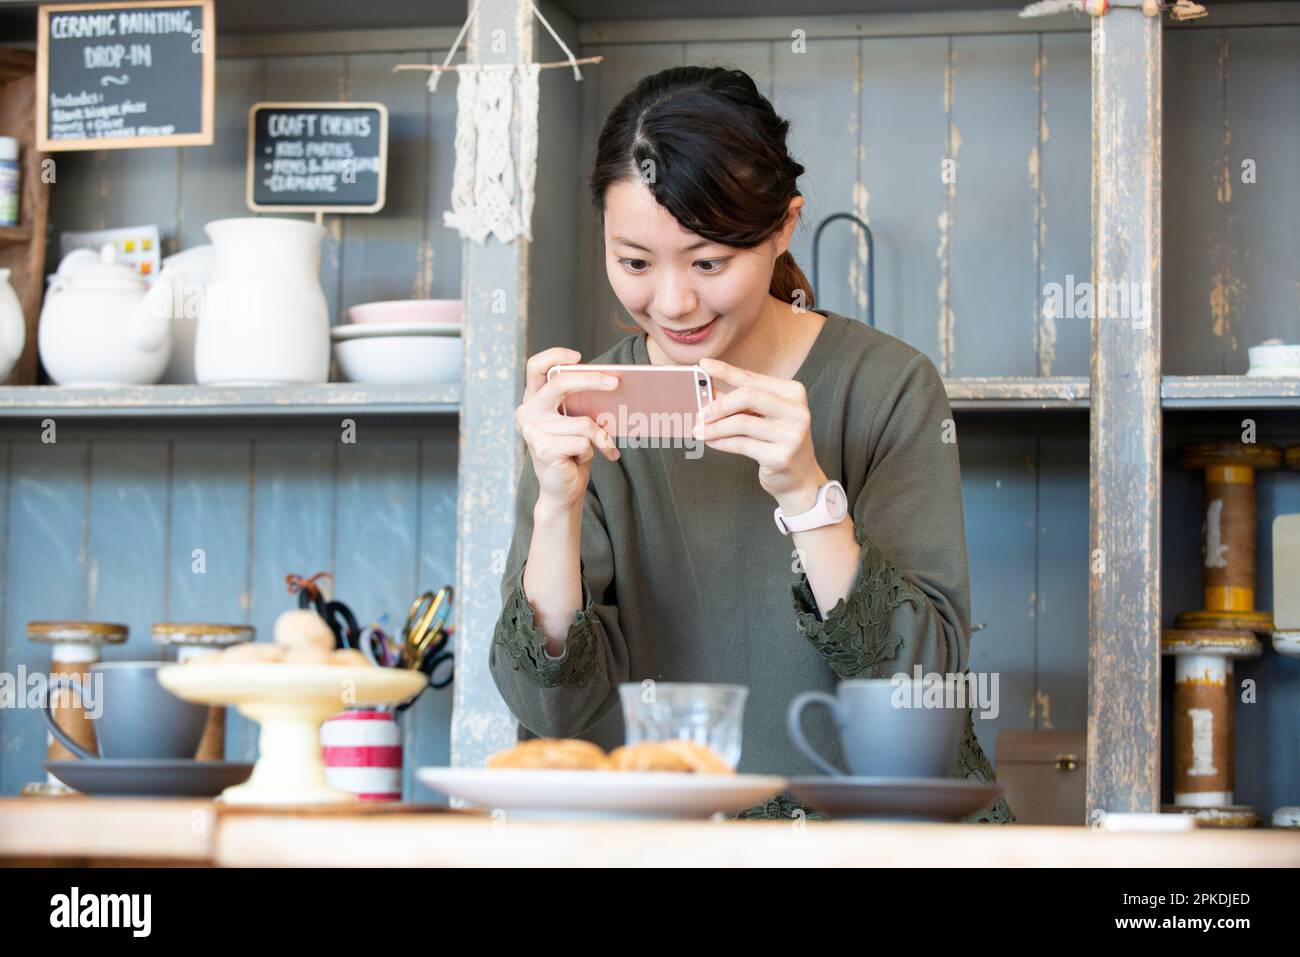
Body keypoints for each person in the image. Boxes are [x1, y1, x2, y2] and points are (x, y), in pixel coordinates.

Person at [489, 65, 1014, 823]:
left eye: (709, 262)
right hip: (658, 846)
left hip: (872, 844)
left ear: (782, 227)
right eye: (634, 262)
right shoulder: (583, 406)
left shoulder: (886, 385)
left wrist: (809, 496)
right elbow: (551, 707)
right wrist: (556, 506)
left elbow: (918, 684)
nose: (671, 303)